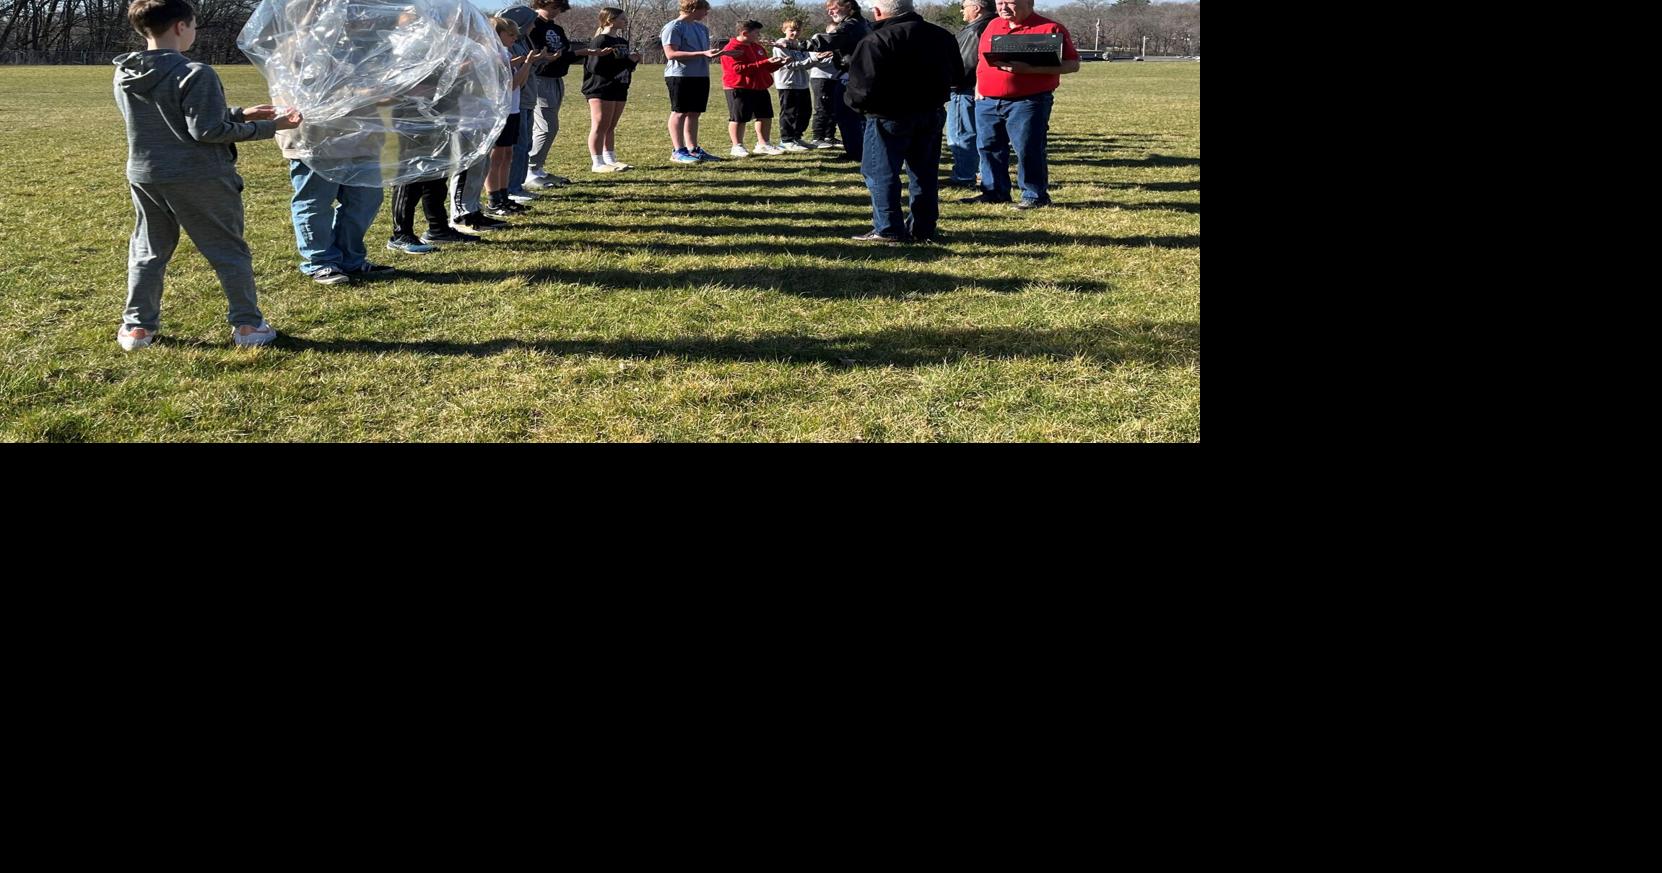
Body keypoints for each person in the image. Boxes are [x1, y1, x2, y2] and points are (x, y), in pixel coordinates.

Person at [113, 0, 299, 349]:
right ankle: (247, 326)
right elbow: (207, 131)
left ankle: (138, 328)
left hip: (146, 174)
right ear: (180, 27)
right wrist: (271, 126)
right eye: (194, 25)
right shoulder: (196, 72)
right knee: (228, 251)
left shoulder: (125, 72)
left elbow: (172, 114)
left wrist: (241, 113)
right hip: (200, 176)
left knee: (148, 250)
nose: (194, 32)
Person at [842, 0, 959, 242]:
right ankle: (923, 227)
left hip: (888, 116)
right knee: (924, 173)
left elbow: (861, 89)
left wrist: (856, 105)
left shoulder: (876, 40)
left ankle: (888, 228)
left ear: (877, 12)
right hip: (930, 113)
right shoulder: (942, 36)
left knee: (881, 172)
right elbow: (958, 74)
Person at [969, 0, 1080, 209]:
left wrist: (1028, 69)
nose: (1003, 7)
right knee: (988, 147)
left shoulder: (1049, 28)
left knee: (1027, 148)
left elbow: (1072, 64)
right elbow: (981, 59)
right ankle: (994, 192)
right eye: (999, 2)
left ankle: (1034, 195)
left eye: (1009, 3)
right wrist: (978, 86)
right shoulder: (993, 26)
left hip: (1028, 100)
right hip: (988, 101)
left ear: (1028, 3)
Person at [660, 0, 736, 164]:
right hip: (680, 75)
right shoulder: (673, 27)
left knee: (694, 113)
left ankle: (692, 149)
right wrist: (703, 53)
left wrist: (722, 53)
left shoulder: (701, 28)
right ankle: (678, 151)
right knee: (679, 112)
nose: (706, 14)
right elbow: (671, 54)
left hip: (700, 75)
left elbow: (704, 53)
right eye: (704, 10)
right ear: (693, 8)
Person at [805, 0, 871, 161]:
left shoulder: (851, 25)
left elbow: (830, 40)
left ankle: (857, 152)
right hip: (855, 75)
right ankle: (861, 151)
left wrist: (799, 45)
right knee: (856, 117)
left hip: (851, 76)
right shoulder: (864, 23)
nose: (830, 13)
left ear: (848, 6)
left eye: (833, 9)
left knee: (848, 116)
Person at [583, 6, 641, 172]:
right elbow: (596, 67)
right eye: (622, 18)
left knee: (611, 126)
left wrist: (633, 61)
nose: (625, 21)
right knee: (600, 125)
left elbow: (625, 66)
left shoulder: (622, 42)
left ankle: (610, 159)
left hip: (619, 87)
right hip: (601, 88)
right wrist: (627, 61)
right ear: (610, 20)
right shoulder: (600, 41)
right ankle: (597, 162)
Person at [720, 19, 785, 157]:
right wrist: (764, 63)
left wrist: (779, 63)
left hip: (760, 87)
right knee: (739, 118)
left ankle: (763, 144)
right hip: (739, 86)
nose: (758, 36)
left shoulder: (757, 47)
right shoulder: (731, 49)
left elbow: (764, 67)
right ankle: (737, 146)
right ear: (744, 33)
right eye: (756, 33)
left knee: (765, 116)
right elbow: (737, 69)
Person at [947, 0, 995, 188]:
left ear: (977, 8)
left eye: (964, 6)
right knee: (982, 135)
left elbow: (965, 64)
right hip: (982, 89)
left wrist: (952, 83)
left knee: (961, 134)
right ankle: (981, 174)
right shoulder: (994, 25)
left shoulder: (975, 31)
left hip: (965, 89)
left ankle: (964, 175)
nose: (961, 11)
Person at [769, 17, 817, 151]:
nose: (795, 33)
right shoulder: (781, 44)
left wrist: (817, 58)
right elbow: (791, 65)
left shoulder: (800, 45)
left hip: (802, 83)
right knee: (790, 112)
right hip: (788, 84)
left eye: (798, 30)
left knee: (805, 112)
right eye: (792, 30)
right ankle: (786, 140)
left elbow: (806, 61)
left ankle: (797, 137)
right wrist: (814, 59)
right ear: (784, 30)